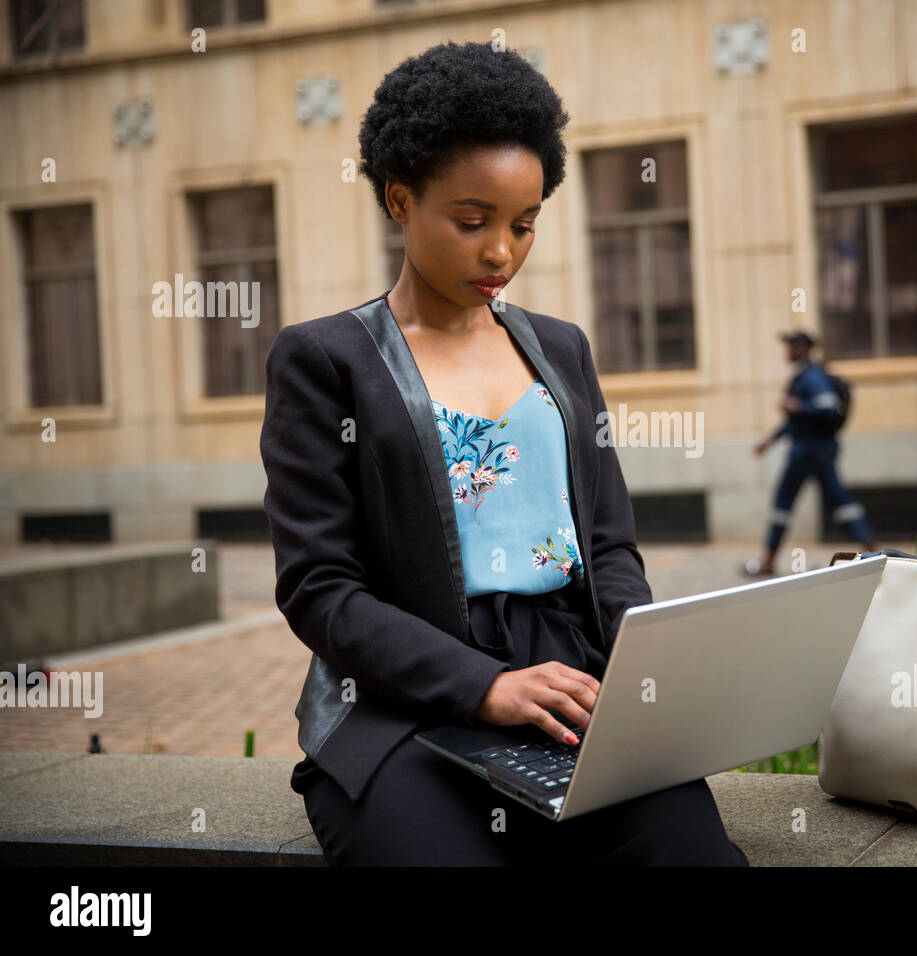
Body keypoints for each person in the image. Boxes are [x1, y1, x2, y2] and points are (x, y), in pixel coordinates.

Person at [259, 41, 747, 866]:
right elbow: (320, 588)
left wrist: (644, 672)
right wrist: (481, 686)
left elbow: (607, 545)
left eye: (523, 225)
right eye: (472, 221)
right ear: (401, 199)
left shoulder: (562, 349)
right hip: (401, 710)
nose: (501, 254)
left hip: (573, 692)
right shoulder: (325, 360)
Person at [742, 330, 877, 577]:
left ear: (803, 348)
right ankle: (873, 550)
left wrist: (797, 405)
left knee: (783, 504)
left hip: (807, 453)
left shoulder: (811, 377)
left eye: (792, 346)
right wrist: (770, 441)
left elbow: (827, 408)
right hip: (817, 452)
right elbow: (794, 423)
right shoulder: (804, 376)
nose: (788, 351)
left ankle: (768, 561)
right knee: (840, 503)